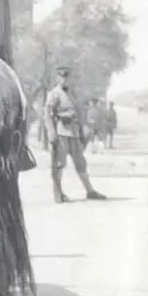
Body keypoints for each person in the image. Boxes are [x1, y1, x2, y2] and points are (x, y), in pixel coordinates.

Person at [44, 66, 107, 202]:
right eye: (62, 77)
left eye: (67, 77)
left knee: (81, 163)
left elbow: (79, 113)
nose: (64, 80)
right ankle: (59, 194)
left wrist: (83, 129)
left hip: (74, 133)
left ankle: (90, 191)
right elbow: (48, 115)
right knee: (59, 164)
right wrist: (51, 132)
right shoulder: (54, 94)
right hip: (61, 133)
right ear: (58, 78)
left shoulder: (73, 93)